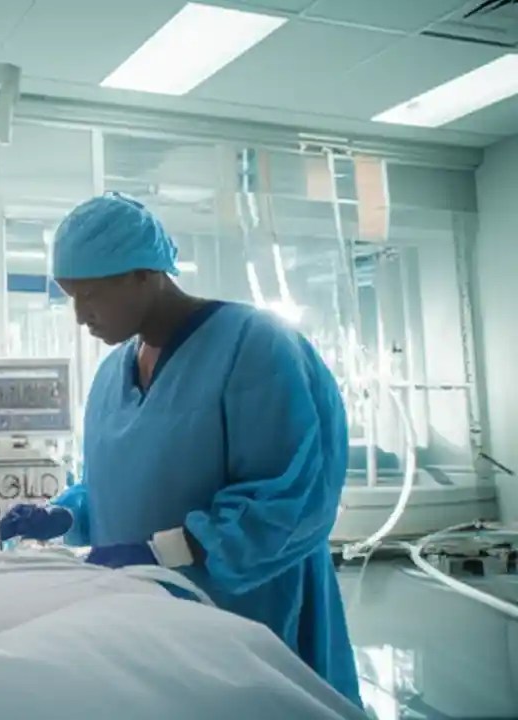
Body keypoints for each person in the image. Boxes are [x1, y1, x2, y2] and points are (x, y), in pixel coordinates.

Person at [48, 192, 361, 704]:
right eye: (69, 297)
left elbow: (288, 500)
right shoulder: (113, 372)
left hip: (247, 613)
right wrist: (63, 515)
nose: (81, 315)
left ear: (145, 273)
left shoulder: (257, 345)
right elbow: (117, 482)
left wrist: (164, 550)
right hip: (146, 613)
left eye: (91, 294)